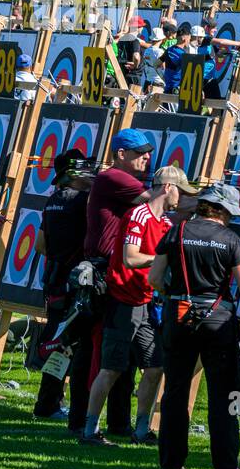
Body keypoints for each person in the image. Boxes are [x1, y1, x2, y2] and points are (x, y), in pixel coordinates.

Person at [151, 184, 240, 469]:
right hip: (218, 318)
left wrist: (176, 295)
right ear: (222, 210)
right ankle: (226, 465)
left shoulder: (177, 231)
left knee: (175, 389)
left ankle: (171, 462)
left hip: (179, 315)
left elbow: (154, 277)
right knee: (224, 392)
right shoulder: (230, 239)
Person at [81, 165, 194, 446]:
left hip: (144, 300)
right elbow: (130, 258)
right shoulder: (138, 216)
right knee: (111, 369)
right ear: (168, 187)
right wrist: (162, 259)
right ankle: (89, 430)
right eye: (180, 190)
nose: (181, 197)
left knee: (155, 367)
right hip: (123, 300)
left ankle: (141, 430)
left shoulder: (166, 224)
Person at [69, 128, 162, 434]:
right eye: (139, 153)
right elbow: (154, 199)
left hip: (115, 274)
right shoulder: (115, 178)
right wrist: (178, 188)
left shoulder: (118, 178)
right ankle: (86, 423)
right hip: (105, 276)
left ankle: (115, 423)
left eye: (148, 152)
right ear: (121, 155)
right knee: (102, 354)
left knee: (118, 356)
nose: (146, 157)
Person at [29, 149, 92, 419]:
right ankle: (48, 404)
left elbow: (41, 245)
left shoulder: (54, 199)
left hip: (54, 279)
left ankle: (51, 401)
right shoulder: (83, 201)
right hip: (72, 283)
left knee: (58, 340)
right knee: (64, 344)